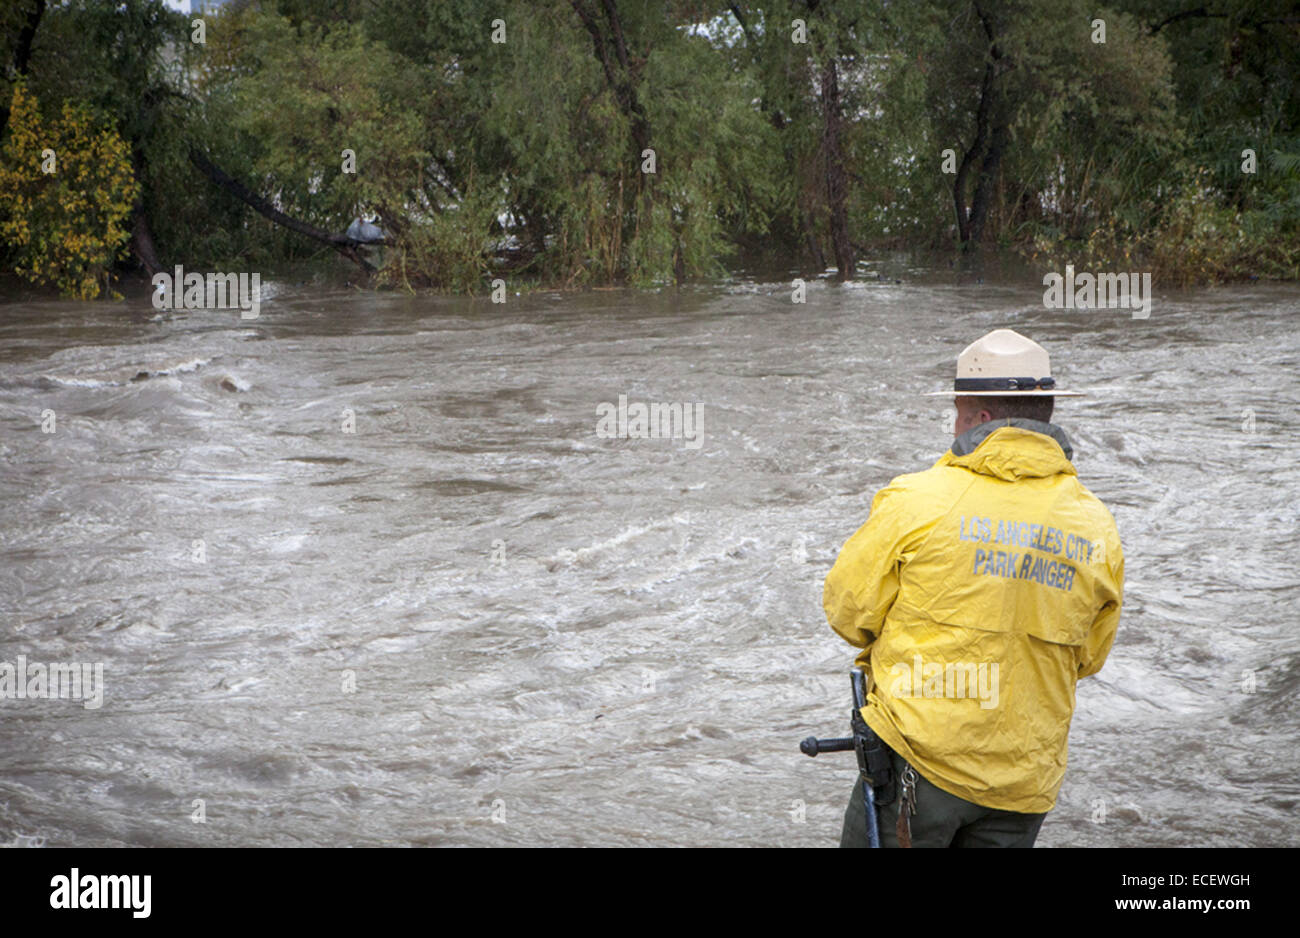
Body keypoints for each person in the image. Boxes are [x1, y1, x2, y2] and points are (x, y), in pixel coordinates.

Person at [824, 328, 1124, 847]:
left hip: (919, 765)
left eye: (957, 414)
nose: (953, 428)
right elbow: (1089, 658)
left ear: (980, 420)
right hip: (1025, 782)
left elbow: (849, 614)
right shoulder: (1096, 526)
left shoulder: (916, 500)